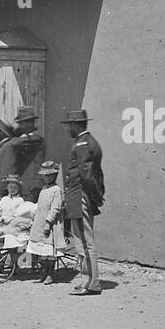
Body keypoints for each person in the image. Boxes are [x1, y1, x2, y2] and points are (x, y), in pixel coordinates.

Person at [62, 108, 104, 296]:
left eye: (69, 125)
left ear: (76, 125)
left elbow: (87, 175)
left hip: (80, 197)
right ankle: (87, 280)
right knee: (82, 241)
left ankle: (91, 283)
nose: (67, 129)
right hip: (80, 197)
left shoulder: (82, 144)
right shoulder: (87, 142)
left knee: (85, 242)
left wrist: (94, 196)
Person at [27, 161, 68, 284]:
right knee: (41, 252)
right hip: (39, 223)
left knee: (50, 251)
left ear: (55, 175)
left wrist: (48, 222)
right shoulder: (44, 189)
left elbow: (55, 208)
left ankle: (51, 273)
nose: (47, 178)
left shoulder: (56, 190)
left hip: (50, 224)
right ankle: (44, 272)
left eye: (50, 175)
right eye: (45, 175)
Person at [9, 106, 46, 199]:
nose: (19, 126)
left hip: (32, 184)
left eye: (21, 123)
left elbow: (13, 144)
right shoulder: (26, 137)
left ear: (29, 123)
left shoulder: (36, 137)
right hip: (24, 183)